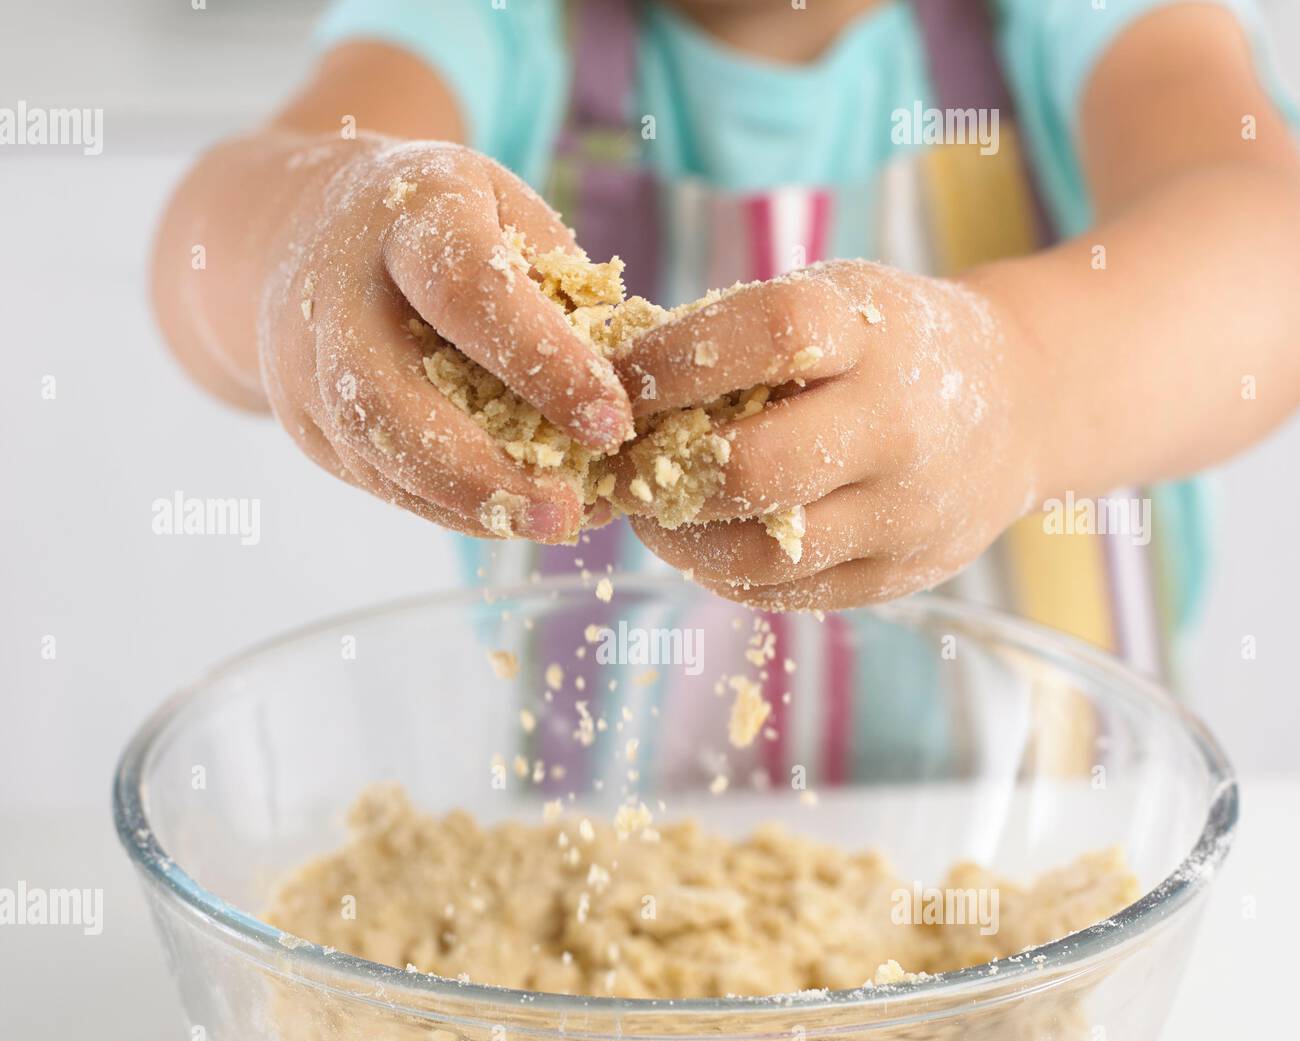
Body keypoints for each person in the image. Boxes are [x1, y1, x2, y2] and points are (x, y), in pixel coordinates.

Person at [152, 0, 1300, 686]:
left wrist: (1021, 380)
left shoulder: (1078, 24)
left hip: (1046, 866)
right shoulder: (496, 27)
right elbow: (202, 244)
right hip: (600, 905)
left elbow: (1265, 248)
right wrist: (312, 235)